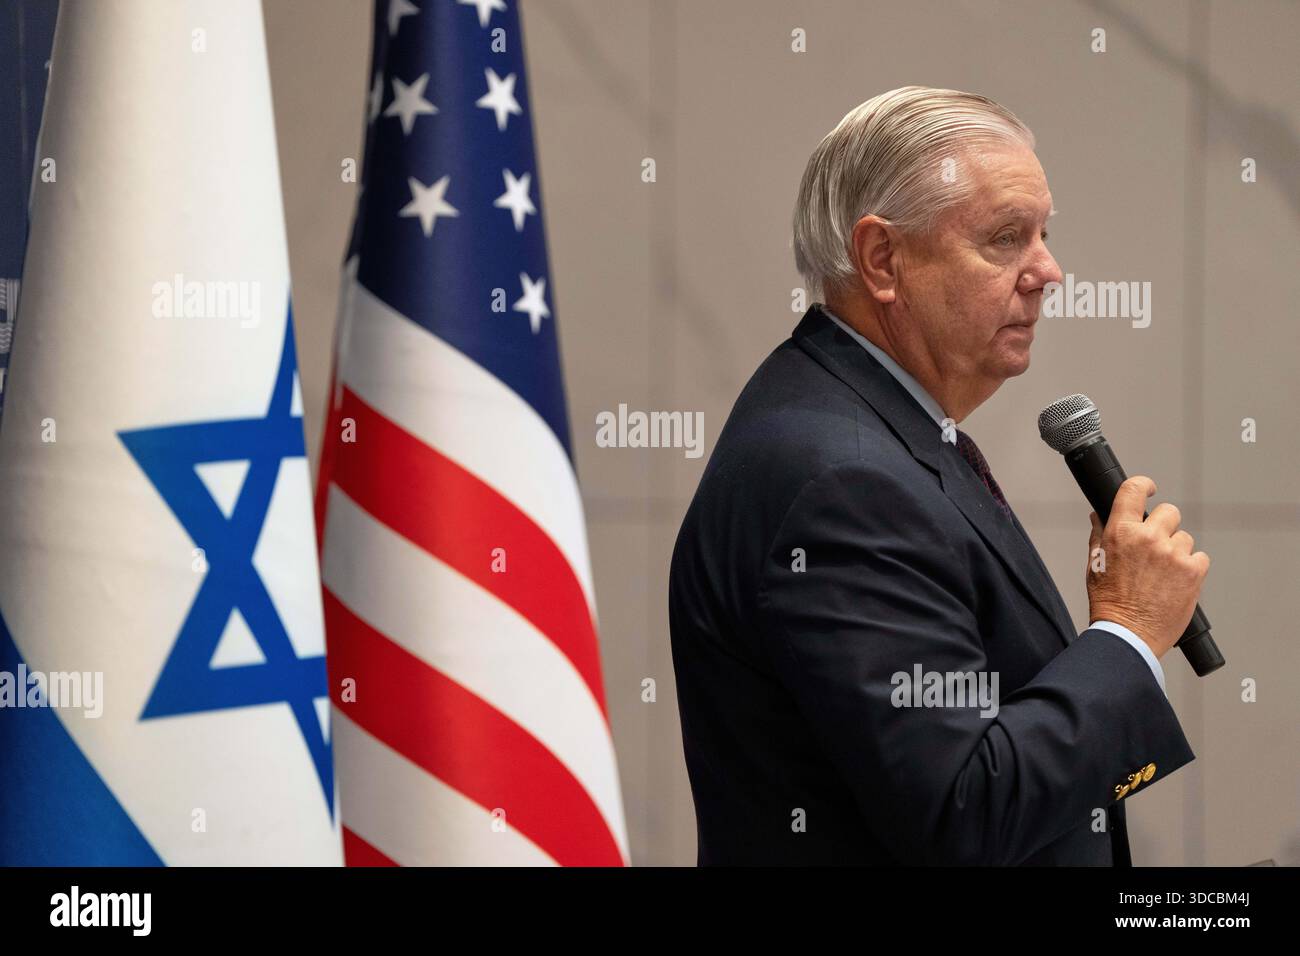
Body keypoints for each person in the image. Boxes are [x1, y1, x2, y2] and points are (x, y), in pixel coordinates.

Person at [668, 86, 1210, 865]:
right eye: (1004, 239)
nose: (1049, 271)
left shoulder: (870, 427)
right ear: (883, 260)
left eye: (1044, 234)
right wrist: (1128, 631)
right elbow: (965, 812)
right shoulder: (845, 482)